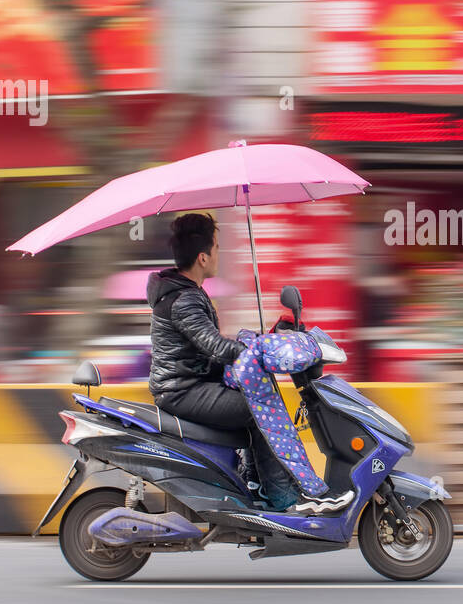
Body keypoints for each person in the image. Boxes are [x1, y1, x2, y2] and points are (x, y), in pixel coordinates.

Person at [146, 212, 352, 514]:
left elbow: (209, 345)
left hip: (192, 382)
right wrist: (258, 348)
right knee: (260, 410)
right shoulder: (183, 299)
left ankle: (256, 484)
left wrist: (265, 338)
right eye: (217, 248)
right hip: (182, 390)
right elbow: (213, 346)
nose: (219, 254)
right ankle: (287, 500)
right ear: (203, 257)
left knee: (256, 399)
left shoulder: (185, 292)